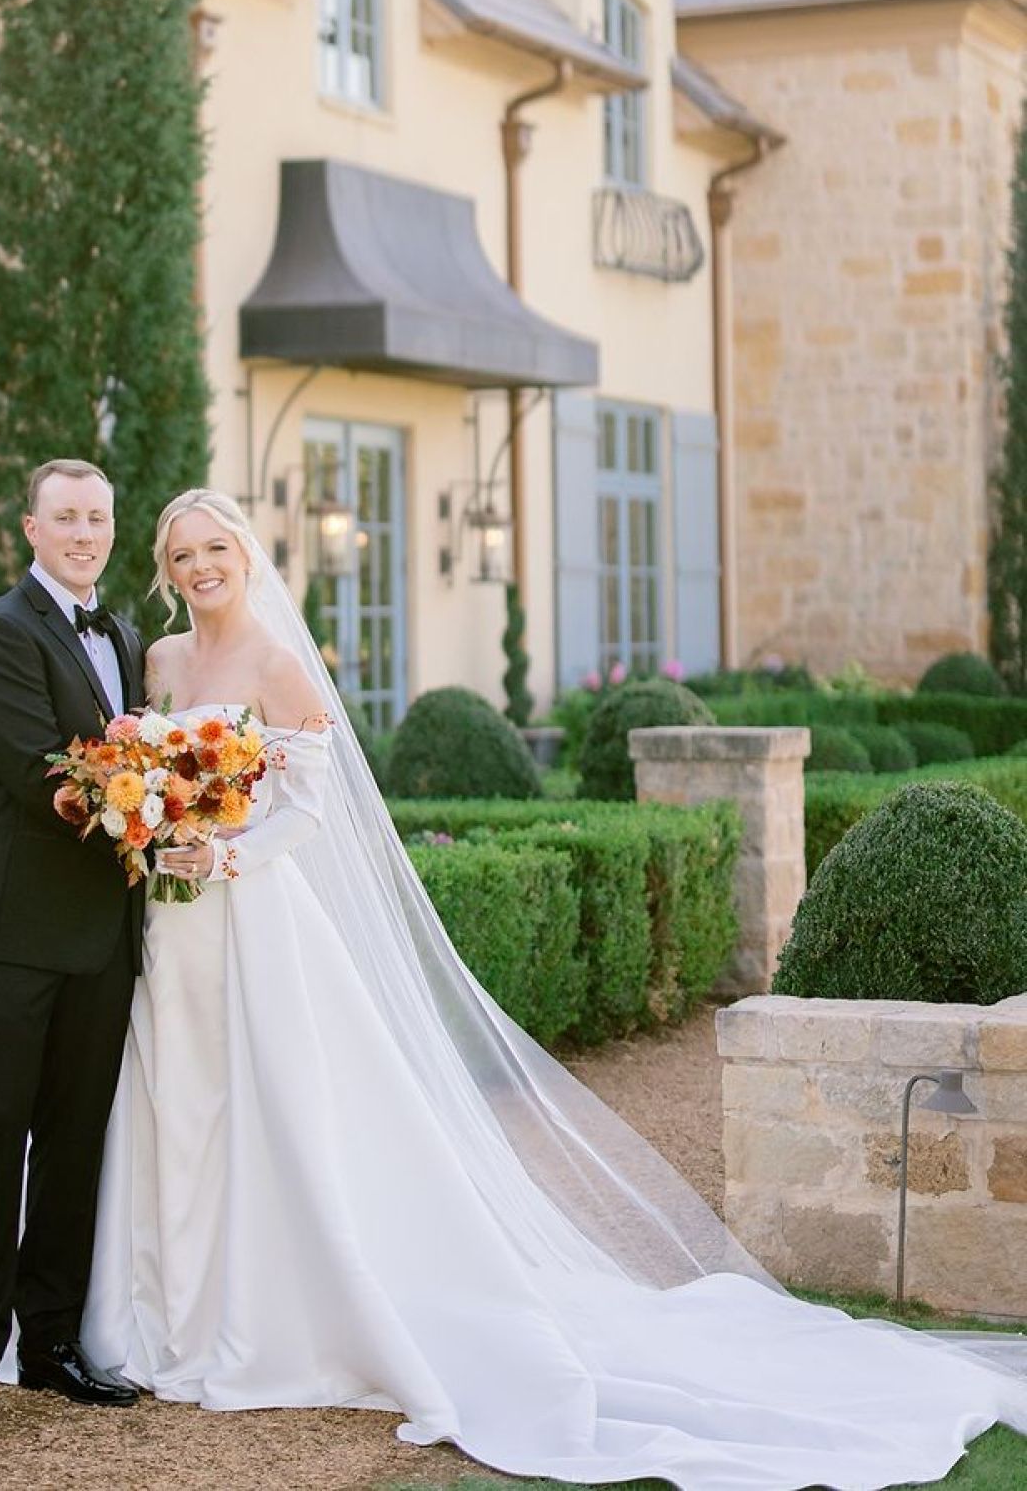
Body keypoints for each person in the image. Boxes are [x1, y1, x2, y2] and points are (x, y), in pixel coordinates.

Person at [81, 485, 1027, 1491]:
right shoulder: (163, 662)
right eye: (182, 554)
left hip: (255, 922)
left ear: (245, 551)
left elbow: (307, 808)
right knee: (181, 1110)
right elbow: (147, 778)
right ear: (164, 566)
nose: (199, 568)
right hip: (172, 933)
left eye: (214, 547)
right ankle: (171, 1310)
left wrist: (224, 859)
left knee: (277, 1115)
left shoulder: (276, 663)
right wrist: (154, 826)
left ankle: (271, 1314)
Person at [0, 458, 147, 1444]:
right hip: (7, 934)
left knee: (76, 1139)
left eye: (97, 517)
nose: (84, 532)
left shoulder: (126, 635)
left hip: (102, 935)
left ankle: (51, 1340)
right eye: (66, 516)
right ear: (30, 527)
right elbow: (44, 778)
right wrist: (164, 814)